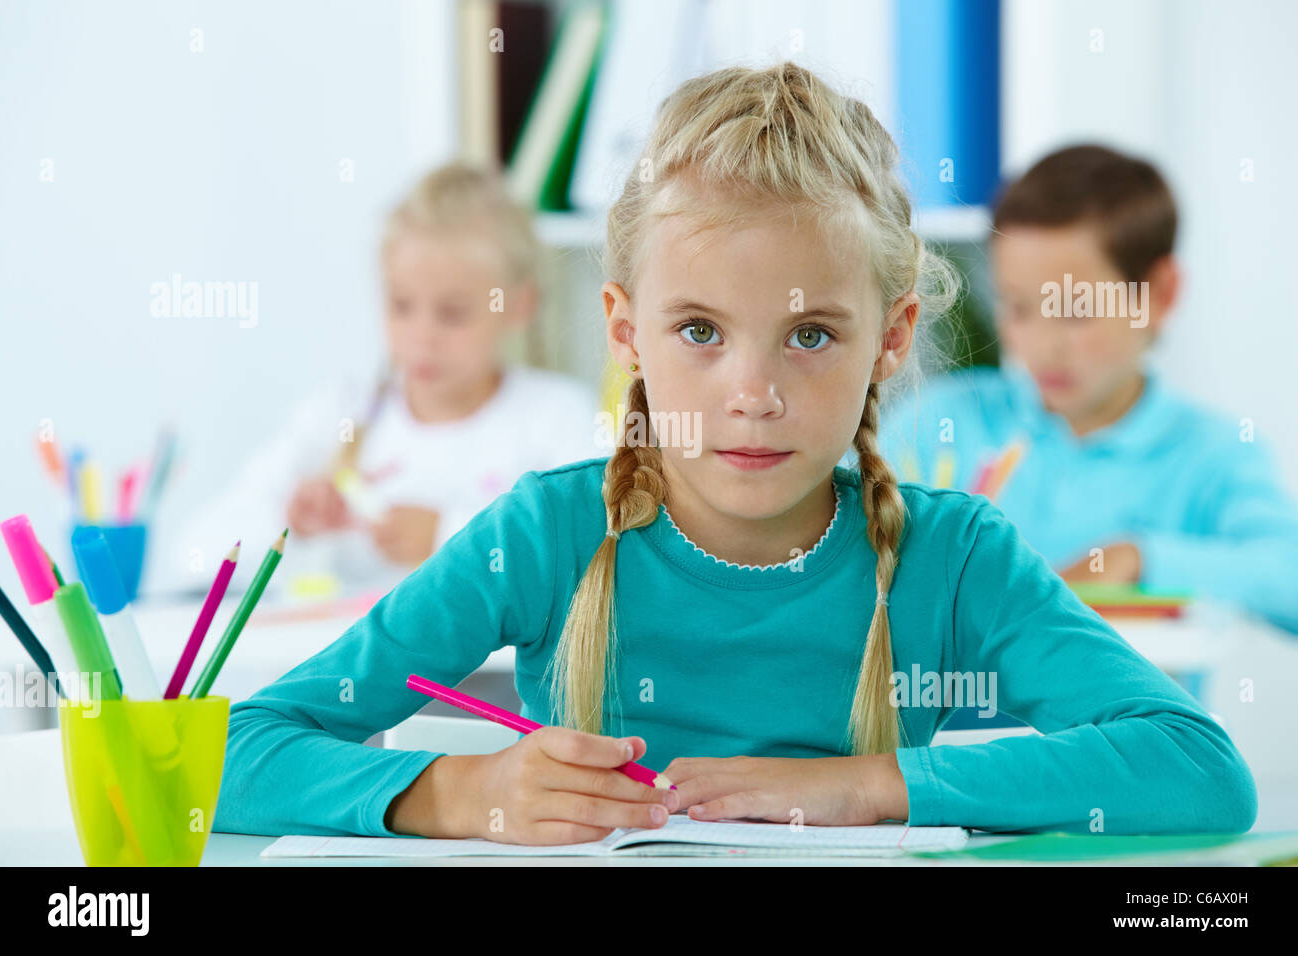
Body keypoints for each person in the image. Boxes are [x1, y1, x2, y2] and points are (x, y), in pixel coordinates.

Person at [213, 64, 1255, 842]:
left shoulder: (954, 556)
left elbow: (1196, 766)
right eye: (700, 331)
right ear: (627, 335)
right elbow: (235, 752)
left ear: (889, 339)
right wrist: (466, 791)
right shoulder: (541, 535)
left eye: (810, 335)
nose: (750, 396)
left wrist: (870, 785)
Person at [863, 144, 1298, 635]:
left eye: (1074, 311)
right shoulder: (945, 421)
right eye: (1019, 308)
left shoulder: (1209, 455)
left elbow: (1288, 578)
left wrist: (1139, 558)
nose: (1043, 347)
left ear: (1158, 295)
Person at [170, 162, 604, 597]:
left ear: (519, 305)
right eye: (401, 305)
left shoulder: (554, 416)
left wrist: (444, 536)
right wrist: (293, 522)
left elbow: (593, 553)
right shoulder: (338, 412)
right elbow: (193, 554)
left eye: (452, 313)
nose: (422, 336)